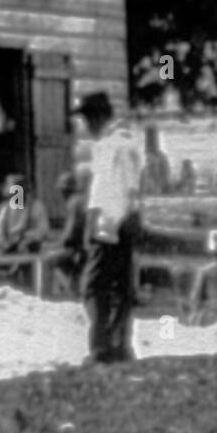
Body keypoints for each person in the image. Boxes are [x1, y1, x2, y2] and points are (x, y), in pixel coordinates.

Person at [73, 91, 144, 364]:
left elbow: (130, 186)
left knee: (95, 287)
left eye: (88, 120)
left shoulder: (119, 144)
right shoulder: (107, 144)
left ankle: (104, 347)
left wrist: (130, 215)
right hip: (108, 222)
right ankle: (117, 345)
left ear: (97, 117)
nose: (86, 127)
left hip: (112, 224)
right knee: (117, 287)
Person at [0, 172, 51, 288]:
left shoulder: (36, 206)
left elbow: (43, 230)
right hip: (10, 250)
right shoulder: (5, 209)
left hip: (29, 249)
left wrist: (28, 236)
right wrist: (2, 242)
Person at [139, 124, 172, 197]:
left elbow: (146, 173)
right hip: (157, 156)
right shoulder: (162, 182)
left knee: (152, 148)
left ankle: (151, 127)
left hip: (154, 156)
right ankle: (152, 127)